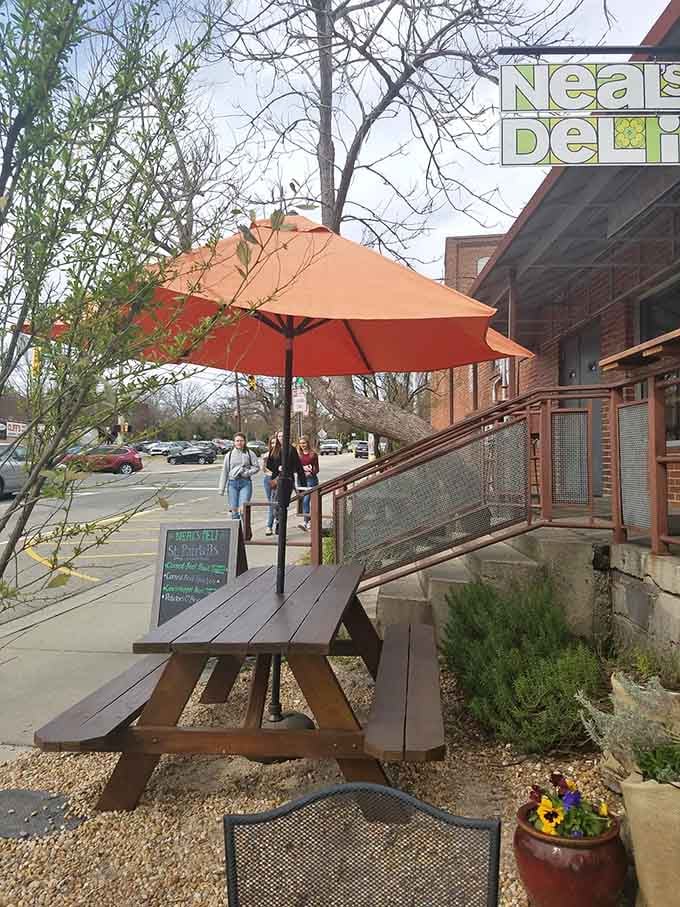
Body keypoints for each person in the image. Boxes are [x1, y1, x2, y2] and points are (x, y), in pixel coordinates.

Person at [264, 430, 306, 534]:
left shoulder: (291, 449)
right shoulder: (274, 450)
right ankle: (278, 521)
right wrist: (277, 468)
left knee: (283, 505)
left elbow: (298, 467)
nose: (281, 438)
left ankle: (281, 527)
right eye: (279, 436)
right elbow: (268, 464)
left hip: (288, 480)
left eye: (283, 436)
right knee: (275, 504)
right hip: (276, 480)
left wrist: (303, 484)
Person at [218, 433, 260, 521]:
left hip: (245, 483)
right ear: (234, 442)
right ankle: (237, 533)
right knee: (234, 511)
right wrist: (221, 489)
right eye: (237, 441)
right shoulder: (229, 455)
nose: (239, 443)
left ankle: (245, 532)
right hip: (232, 484)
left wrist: (247, 472)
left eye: (241, 441)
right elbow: (225, 472)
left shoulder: (250, 453)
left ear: (245, 442)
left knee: (243, 510)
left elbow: (256, 467)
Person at [296, 435, 319, 531]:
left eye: (304, 443)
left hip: (311, 479)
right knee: (302, 501)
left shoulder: (313, 454)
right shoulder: (298, 454)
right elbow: (295, 467)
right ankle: (308, 520)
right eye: (301, 443)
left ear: (308, 443)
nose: (302, 445)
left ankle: (307, 522)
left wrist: (311, 472)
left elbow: (317, 468)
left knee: (306, 500)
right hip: (301, 479)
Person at [262, 435, 278, 536]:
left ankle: (271, 525)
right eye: (272, 443)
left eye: (275, 443)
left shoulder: (282, 454)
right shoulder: (266, 455)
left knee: (275, 503)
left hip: (278, 479)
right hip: (268, 479)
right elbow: (264, 469)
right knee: (271, 503)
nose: (274, 445)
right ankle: (272, 525)